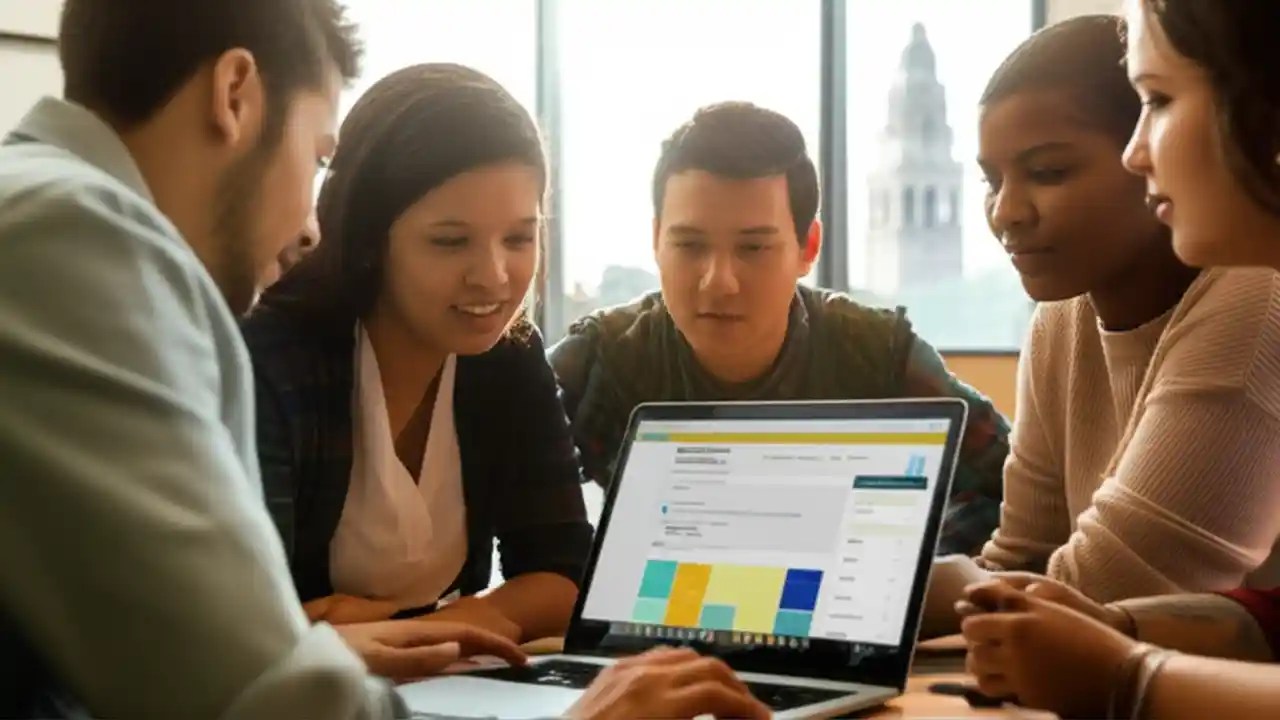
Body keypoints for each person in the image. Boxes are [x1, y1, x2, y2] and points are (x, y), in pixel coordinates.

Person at [0, 2, 769, 718]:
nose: (308, 225)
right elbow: (252, 695)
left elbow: (187, 659)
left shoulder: (44, 212)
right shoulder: (74, 237)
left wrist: (332, 644)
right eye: (316, 155)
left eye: (519, 236)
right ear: (234, 95)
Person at [960, 2, 1280, 717]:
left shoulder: (1260, 297)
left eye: (1157, 101)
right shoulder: (1060, 317)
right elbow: (1025, 571)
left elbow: (1099, 591)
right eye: (991, 180)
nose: (1140, 152)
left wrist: (1130, 672)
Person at [549, 101, 1011, 556]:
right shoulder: (606, 358)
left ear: (807, 247)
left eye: (753, 249)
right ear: (656, 240)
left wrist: (907, 570)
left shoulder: (874, 353)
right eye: (690, 245)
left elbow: (1011, 484)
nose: (719, 282)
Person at [244, 63, 593, 643]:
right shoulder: (274, 361)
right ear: (367, 238)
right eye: (450, 241)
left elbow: (565, 575)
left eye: (519, 237)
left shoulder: (506, 358)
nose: (493, 276)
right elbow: (246, 623)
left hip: (440, 678)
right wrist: (469, 624)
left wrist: (424, 631)